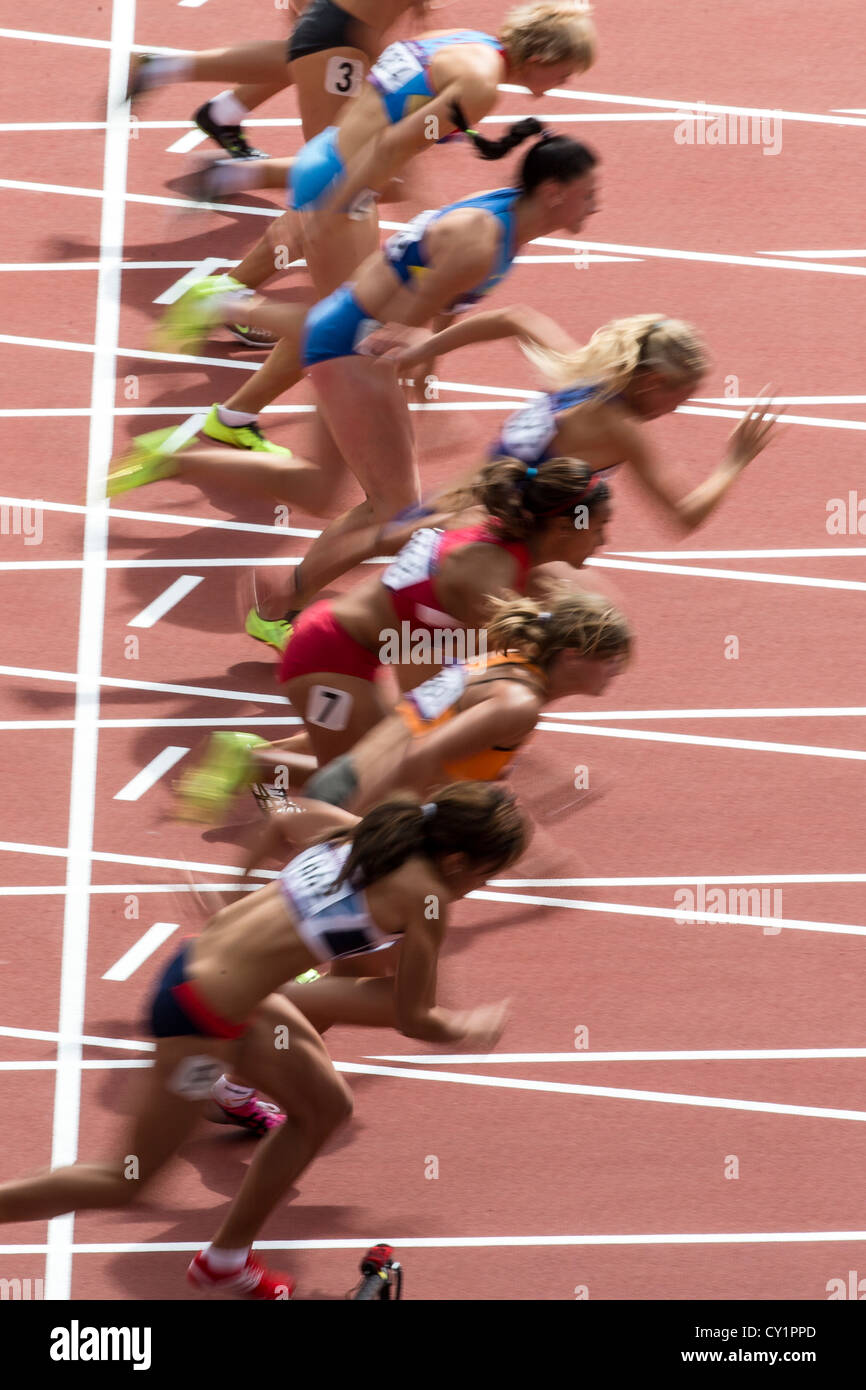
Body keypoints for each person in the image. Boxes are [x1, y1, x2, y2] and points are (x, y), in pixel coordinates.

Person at [0, 785, 528, 1298]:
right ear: (458, 860)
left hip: (219, 985)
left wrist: (234, 894)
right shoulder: (429, 899)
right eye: (486, 877)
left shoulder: (364, 829)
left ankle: (224, 1261)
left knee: (324, 1107)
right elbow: (415, 1019)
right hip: (199, 1021)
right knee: (123, 1181)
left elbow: (277, 808)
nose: (479, 889)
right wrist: (467, 1026)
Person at [106, 134, 600, 617]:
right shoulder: (486, 242)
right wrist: (415, 392)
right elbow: (396, 332)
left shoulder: (500, 216)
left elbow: (438, 300)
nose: (595, 205)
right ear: (554, 192)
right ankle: (272, 596)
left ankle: (192, 425)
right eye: (589, 193)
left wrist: (426, 370)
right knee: (395, 510)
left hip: (341, 327)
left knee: (328, 492)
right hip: (351, 348)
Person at [175, 585, 632, 824]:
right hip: (365, 789)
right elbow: (422, 754)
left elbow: (427, 720)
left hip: (357, 772)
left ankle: (257, 768)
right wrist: (396, 824)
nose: (617, 673)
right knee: (354, 905)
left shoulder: (506, 660)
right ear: (572, 655)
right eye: (611, 661)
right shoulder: (519, 702)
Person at [389, 310, 784, 532]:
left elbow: (513, 318)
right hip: (477, 537)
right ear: (653, 381)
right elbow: (683, 516)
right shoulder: (621, 431)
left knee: (372, 541)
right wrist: (735, 460)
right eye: (679, 398)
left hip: (445, 507)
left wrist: (425, 346)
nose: (677, 410)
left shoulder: (581, 372)